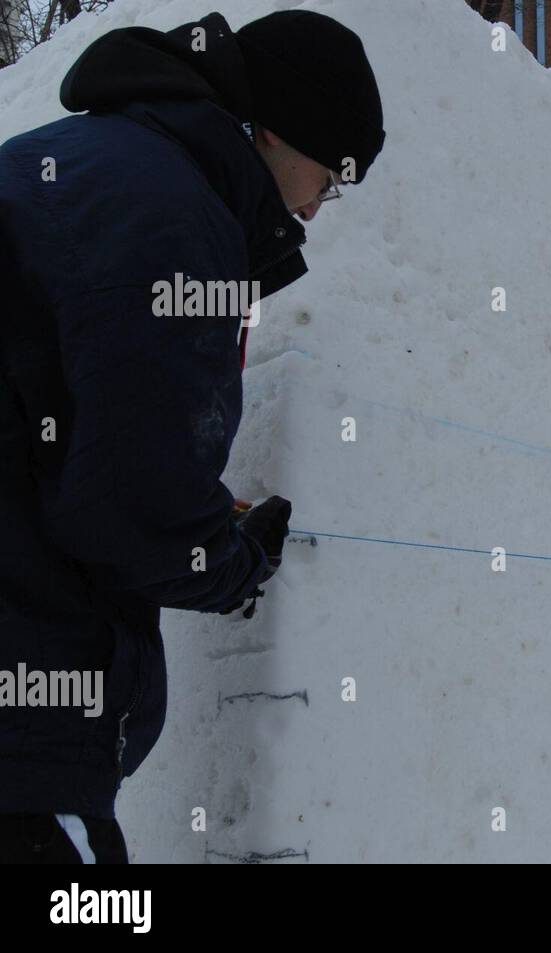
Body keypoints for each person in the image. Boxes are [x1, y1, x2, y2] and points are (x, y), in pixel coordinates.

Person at [0, 9, 384, 863]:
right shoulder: (176, 217)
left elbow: (87, 434)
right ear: (280, 131)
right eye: (335, 173)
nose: (322, 204)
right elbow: (137, 505)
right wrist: (236, 557)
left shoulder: (90, 165)